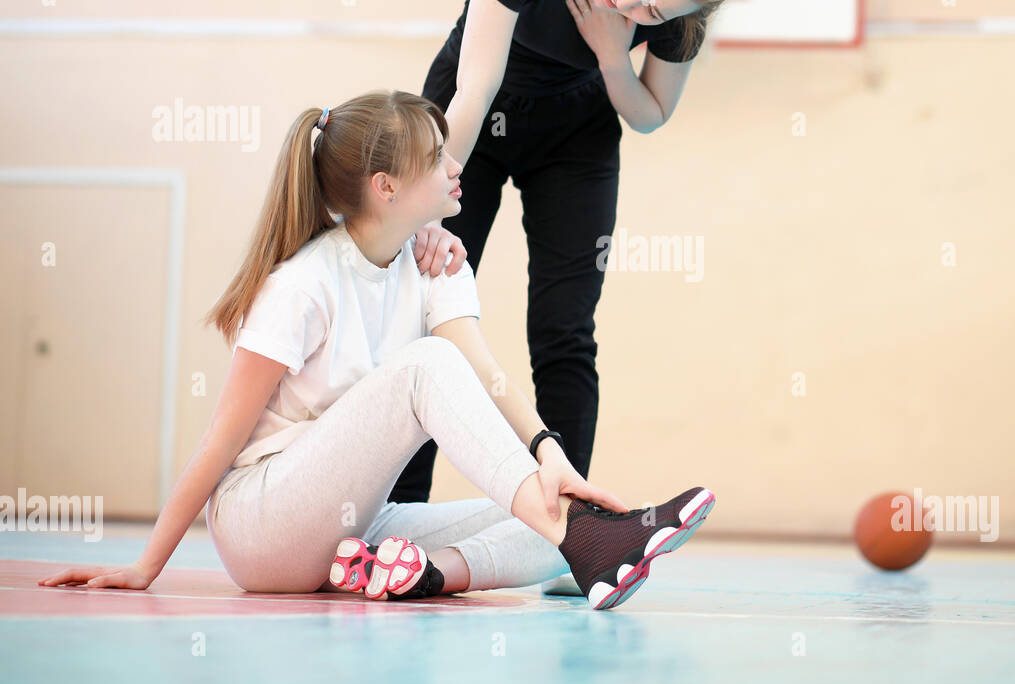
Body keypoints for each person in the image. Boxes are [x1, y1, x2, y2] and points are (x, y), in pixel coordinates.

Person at [37, 91, 715, 610]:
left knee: (539, 522)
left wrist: (549, 455)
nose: (458, 168)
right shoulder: (302, 284)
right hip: (262, 527)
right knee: (427, 370)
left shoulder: (436, 262)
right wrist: (144, 564)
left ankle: (433, 573)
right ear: (385, 186)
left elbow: (488, 376)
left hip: (350, 528)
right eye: (438, 158)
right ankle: (585, 537)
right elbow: (221, 440)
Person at [390, 0, 742, 570]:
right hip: (475, 121)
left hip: (576, 135)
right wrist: (430, 210)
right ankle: (397, 521)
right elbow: (474, 86)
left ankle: (571, 538)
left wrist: (614, 55)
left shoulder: (672, 18)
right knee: (425, 317)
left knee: (565, 328)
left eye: (652, 12)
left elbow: (651, 113)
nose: (631, 1)